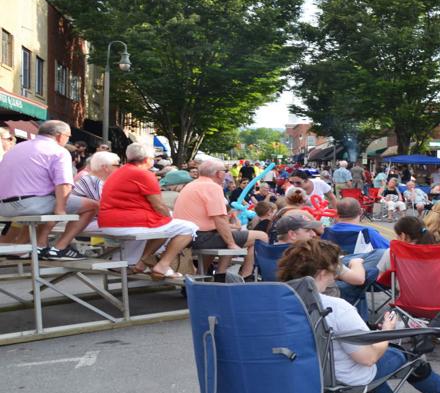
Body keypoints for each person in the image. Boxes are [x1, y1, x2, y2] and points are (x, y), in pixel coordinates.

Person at [274, 236, 440, 393]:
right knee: (402, 355)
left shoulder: (274, 303)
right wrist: (386, 331)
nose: (336, 275)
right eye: (335, 269)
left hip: (297, 377)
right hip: (337, 379)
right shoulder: (336, 308)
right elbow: (368, 358)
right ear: (323, 273)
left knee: (359, 351)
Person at [97, 141, 199, 280]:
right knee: (189, 227)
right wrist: (168, 220)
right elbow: (159, 205)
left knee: (166, 226)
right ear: (147, 160)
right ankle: (162, 265)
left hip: (108, 222)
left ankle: (142, 262)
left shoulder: (118, 172)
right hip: (126, 223)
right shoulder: (143, 174)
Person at [0, 120, 94, 259]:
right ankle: (60, 248)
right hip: (30, 205)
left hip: (4, 207)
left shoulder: (16, 148)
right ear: (60, 135)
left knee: (49, 201)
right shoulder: (59, 151)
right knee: (92, 206)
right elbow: (64, 184)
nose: (68, 139)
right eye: (68, 136)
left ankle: (38, 245)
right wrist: (61, 210)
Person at [175, 159, 269, 279]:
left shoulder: (191, 185)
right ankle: (246, 275)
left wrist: (231, 230)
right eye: (225, 171)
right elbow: (219, 219)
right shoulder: (212, 187)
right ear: (219, 173)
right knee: (261, 236)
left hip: (188, 236)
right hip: (202, 237)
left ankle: (209, 274)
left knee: (230, 234)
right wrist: (231, 243)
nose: (227, 174)